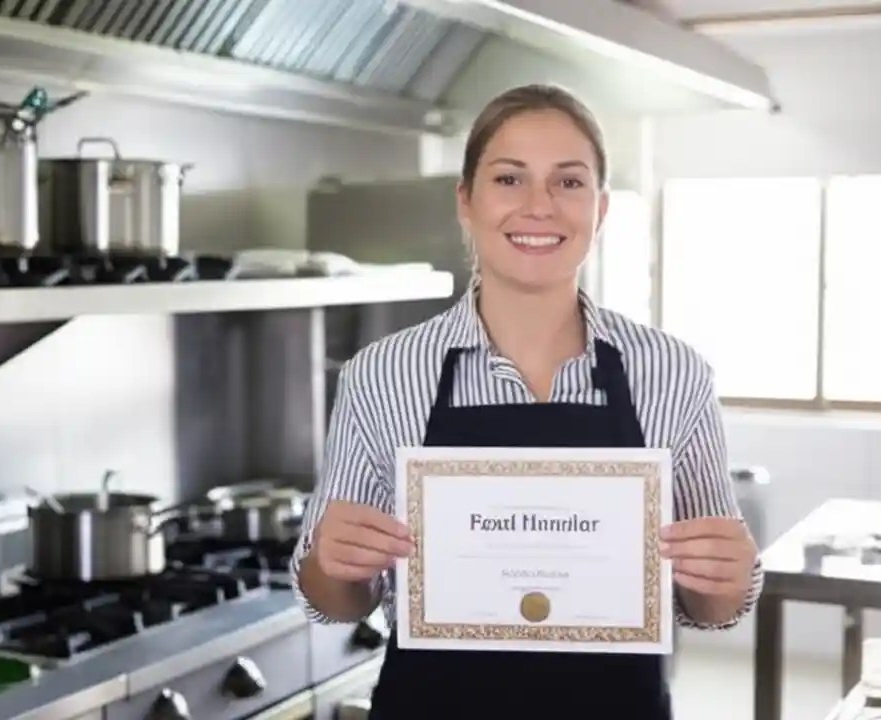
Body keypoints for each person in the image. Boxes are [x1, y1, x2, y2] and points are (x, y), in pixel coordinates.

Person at [290, 83, 762, 719]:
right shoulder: (381, 374)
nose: (538, 206)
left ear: (600, 209)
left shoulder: (673, 372)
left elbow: (712, 607)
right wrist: (334, 561)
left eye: (568, 183)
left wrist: (729, 578)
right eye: (509, 179)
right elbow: (333, 599)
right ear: (467, 200)